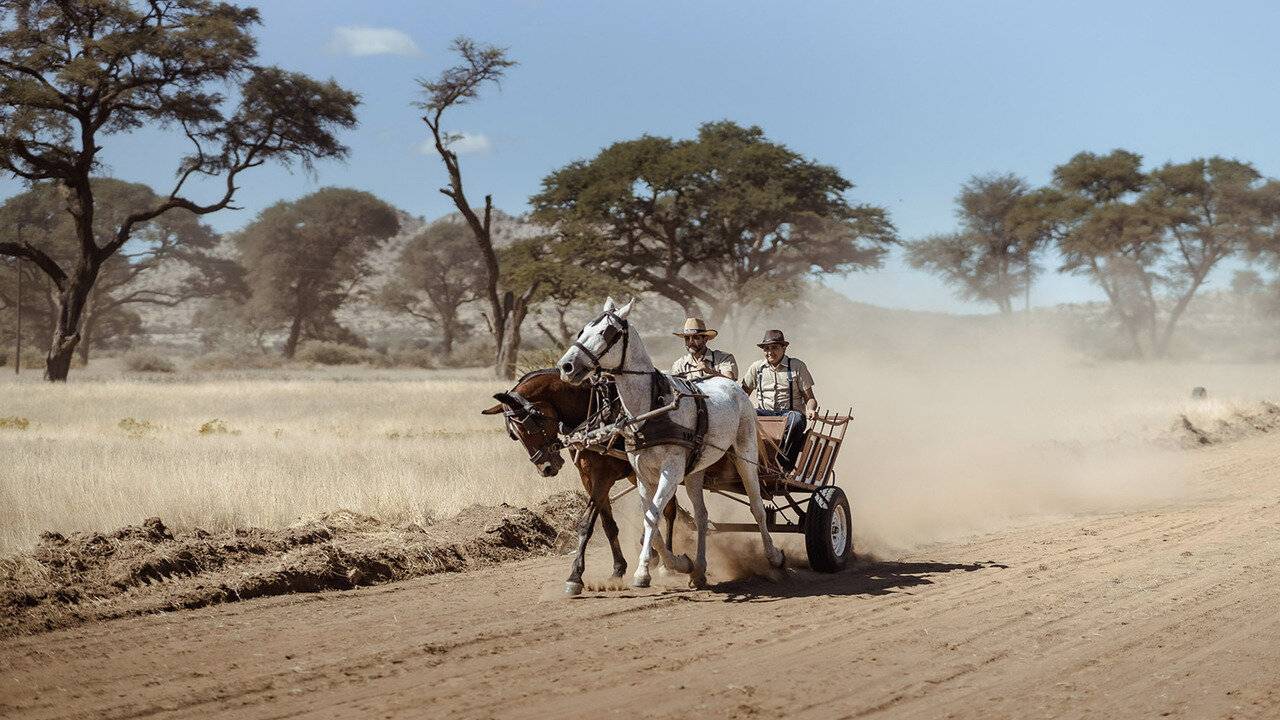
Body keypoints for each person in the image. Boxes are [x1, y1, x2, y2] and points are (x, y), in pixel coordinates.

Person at [741, 329, 817, 471]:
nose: (770, 352)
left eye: (774, 347)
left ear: (784, 348)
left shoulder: (796, 366)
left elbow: (810, 398)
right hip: (765, 415)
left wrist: (811, 409)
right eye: (766, 348)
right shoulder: (757, 368)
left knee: (796, 420)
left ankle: (782, 463)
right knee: (746, 415)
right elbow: (742, 394)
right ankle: (746, 461)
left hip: (789, 415)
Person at [671, 317, 738, 381]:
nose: (691, 342)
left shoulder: (724, 358)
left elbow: (731, 383)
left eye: (695, 337)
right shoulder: (679, 365)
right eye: (687, 338)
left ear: (705, 339)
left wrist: (710, 371)